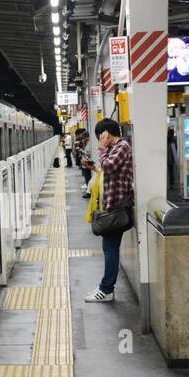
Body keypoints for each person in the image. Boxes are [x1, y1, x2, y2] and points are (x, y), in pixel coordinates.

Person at [80, 118, 133, 303]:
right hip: (110, 205)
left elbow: (109, 167)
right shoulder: (114, 149)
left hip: (117, 207)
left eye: (100, 137)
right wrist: (94, 167)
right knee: (108, 247)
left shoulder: (122, 146)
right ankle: (105, 286)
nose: (100, 141)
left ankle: (106, 289)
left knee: (111, 248)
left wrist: (102, 150)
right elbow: (106, 172)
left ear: (106, 134)